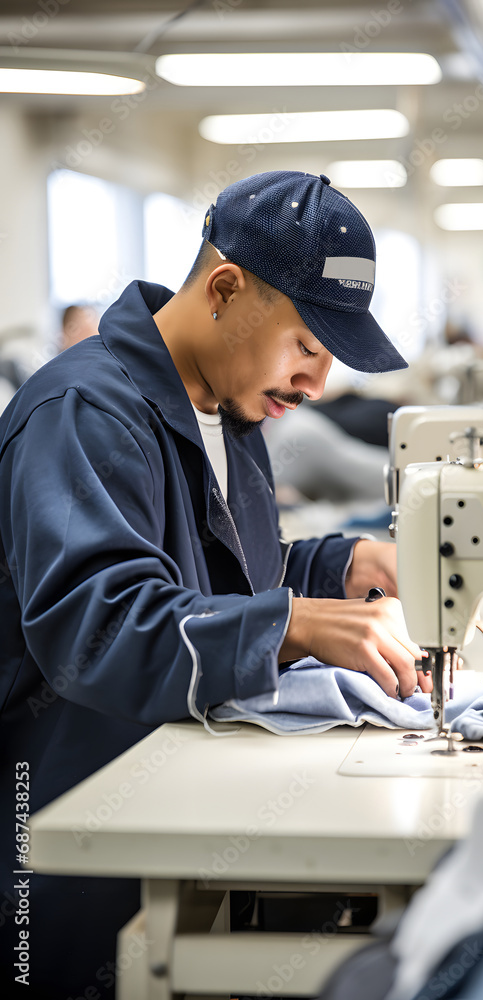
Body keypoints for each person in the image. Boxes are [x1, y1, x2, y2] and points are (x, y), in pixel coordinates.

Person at [0, 170, 431, 998]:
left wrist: (336, 565)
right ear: (225, 289)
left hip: (158, 801)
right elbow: (101, 625)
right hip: (54, 823)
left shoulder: (223, 408)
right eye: (306, 346)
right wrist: (295, 624)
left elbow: (212, 577)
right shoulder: (84, 412)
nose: (316, 384)